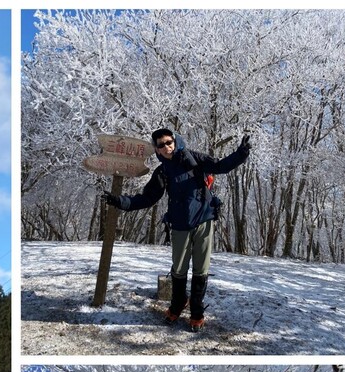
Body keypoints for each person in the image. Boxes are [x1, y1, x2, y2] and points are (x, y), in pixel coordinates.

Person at [104, 128, 250, 330]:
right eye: (161, 145)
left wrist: (240, 154)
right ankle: (178, 303)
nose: (166, 147)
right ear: (156, 149)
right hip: (179, 224)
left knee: (201, 270)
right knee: (179, 270)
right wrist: (120, 201)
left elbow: (220, 166)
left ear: (175, 140)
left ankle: (197, 312)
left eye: (169, 142)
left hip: (204, 221)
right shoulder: (162, 171)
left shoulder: (194, 158)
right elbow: (148, 198)